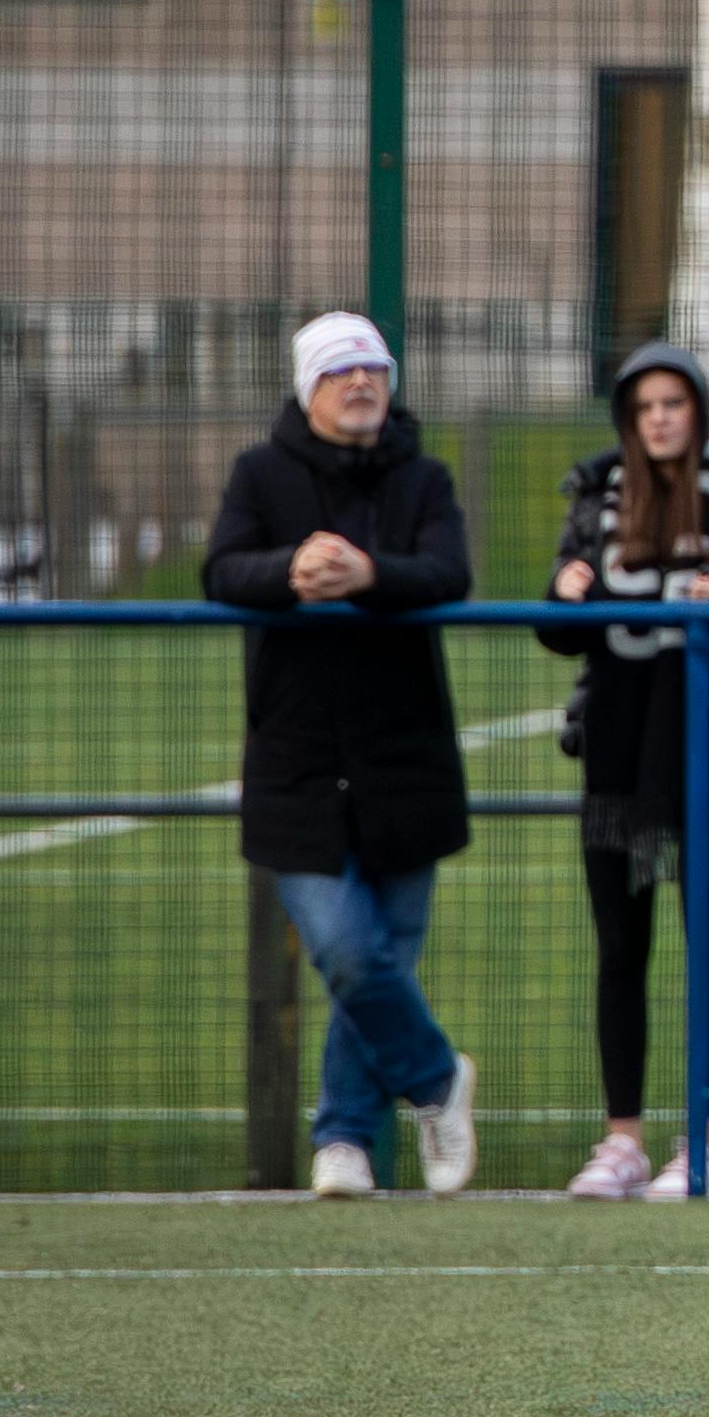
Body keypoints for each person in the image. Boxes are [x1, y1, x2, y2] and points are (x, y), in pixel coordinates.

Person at [205, 311, 478, 1201]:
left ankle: (344, 1139)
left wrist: (371, 577)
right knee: (346, 949)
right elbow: (222, 571)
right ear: (307, 388)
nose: (361, 385)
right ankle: (438, 1081)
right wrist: (291, 571)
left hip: (405, 758)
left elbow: (447, 573)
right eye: (340, 372)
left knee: (384, 959)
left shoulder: (424, 478)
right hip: (297, 761)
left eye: (374, 370)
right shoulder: (260, 474)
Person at [537, 341, 709, 1201]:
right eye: (644, 407)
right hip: (617, 748)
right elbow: (555, 628)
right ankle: (621, 1139)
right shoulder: (597, 498)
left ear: (699, 410)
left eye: (674, 403)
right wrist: (565, 595)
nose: (659, 419)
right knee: (621, 947)